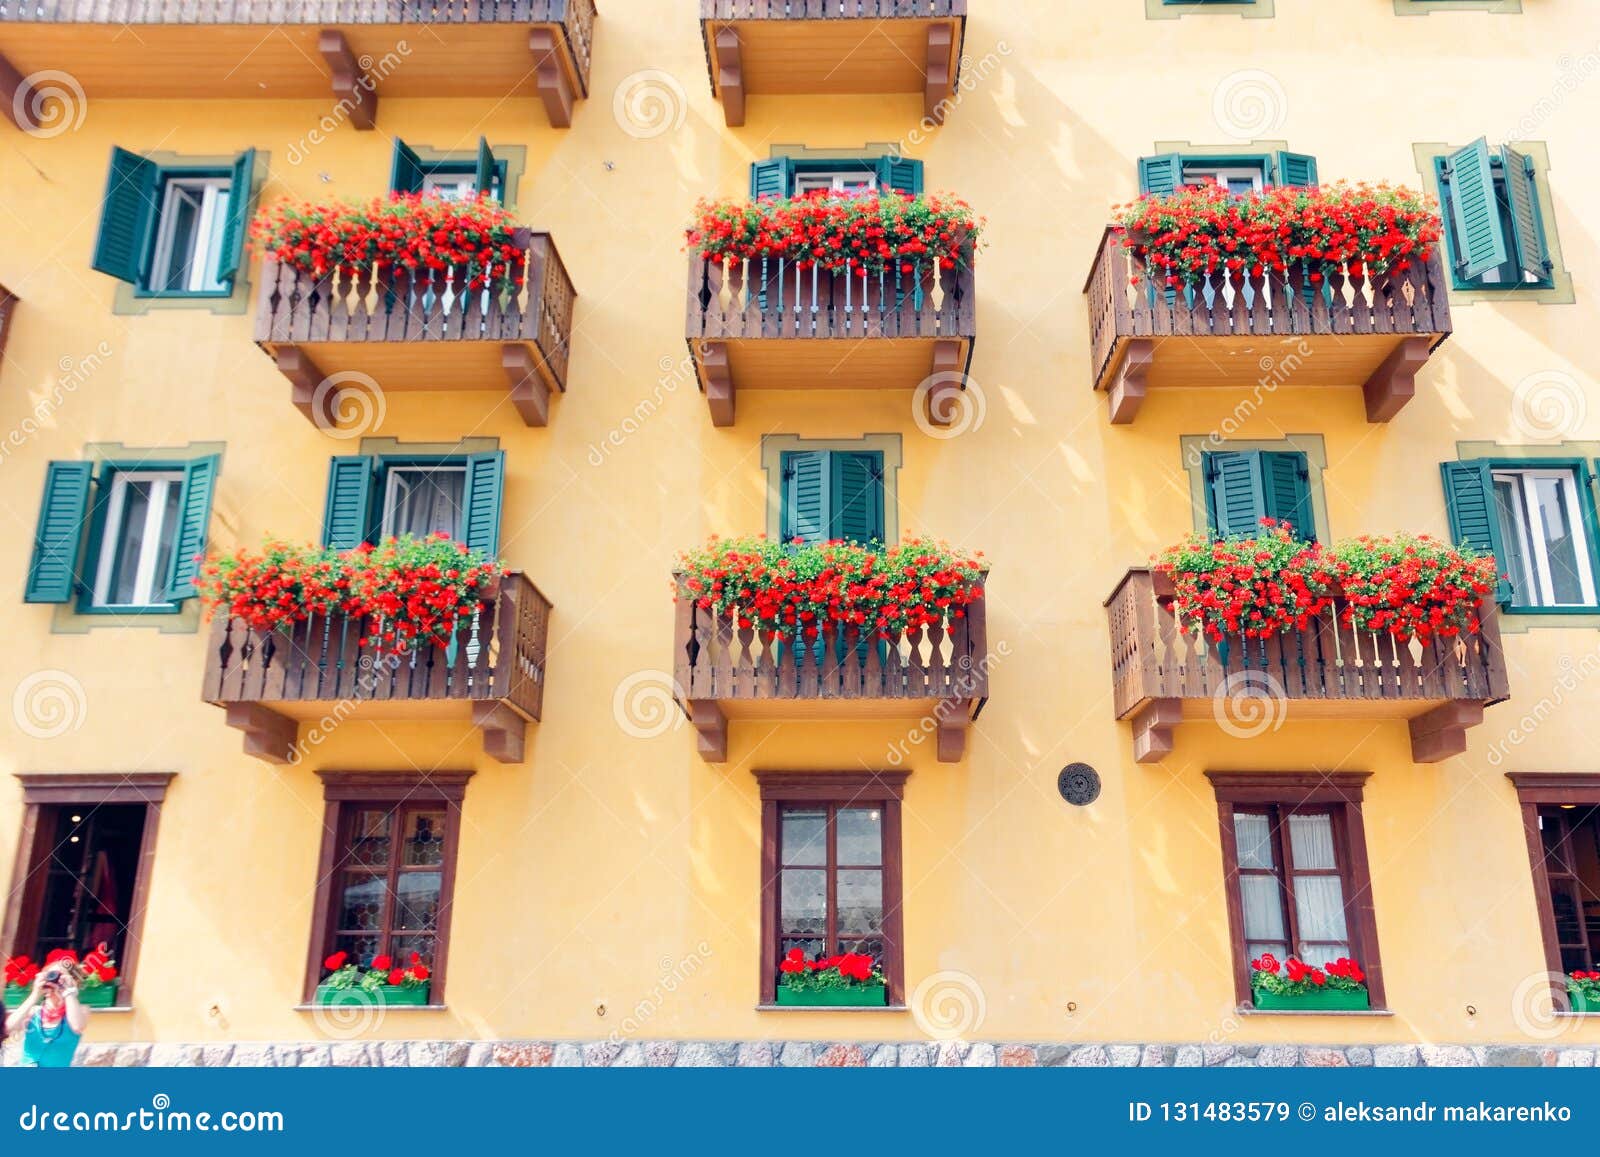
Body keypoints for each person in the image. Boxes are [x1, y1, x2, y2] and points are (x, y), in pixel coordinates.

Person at [5, 961, 89, 1067]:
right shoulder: (33, 1012)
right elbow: (8, 1028)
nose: (53, 980)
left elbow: (77, 1026)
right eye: (50, 975)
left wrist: (68, 990)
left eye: (59, 976)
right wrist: (35, 994)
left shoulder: (81, 1011)